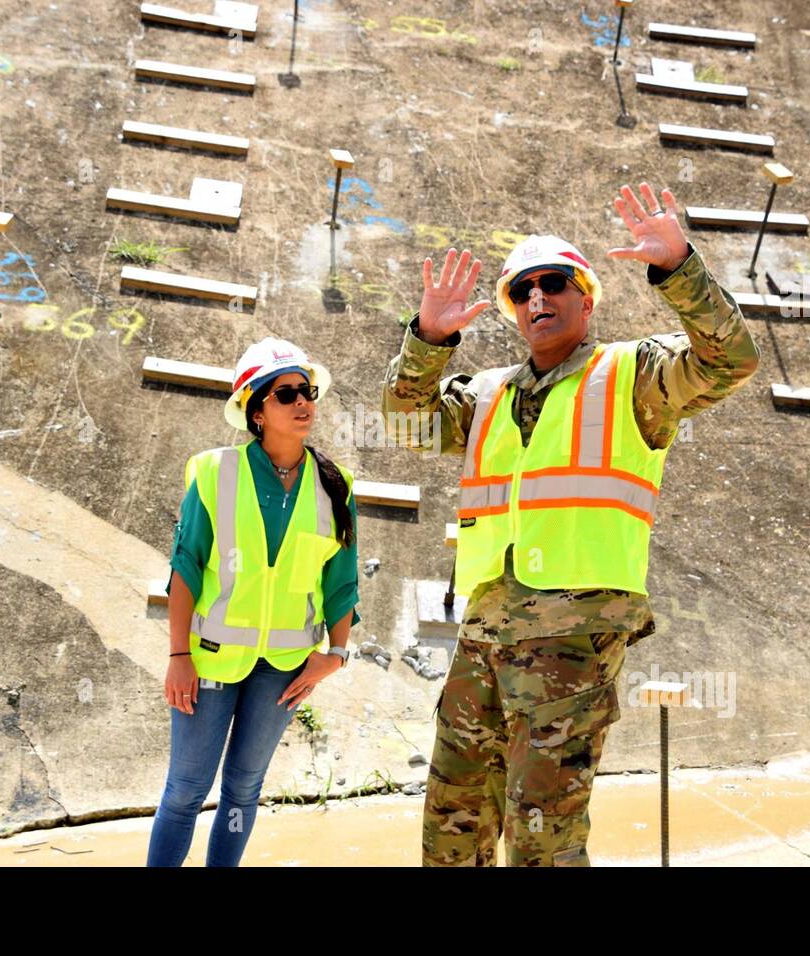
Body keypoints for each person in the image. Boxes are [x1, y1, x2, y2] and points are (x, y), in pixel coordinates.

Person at [382, 183, 761, 866]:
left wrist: (680, 268)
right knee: (454, 814)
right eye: (521, 291)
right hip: (485, 632)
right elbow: (408, 424)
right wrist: (429, 341)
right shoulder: (486, 394)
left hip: (574, 635)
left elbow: (730, 360)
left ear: (586, 298)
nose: (537, 299)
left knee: (541, 828)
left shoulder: (634, 374)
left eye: (553, 284)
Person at [147, 337, 360, 867]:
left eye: (307, 391)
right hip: (211, 661)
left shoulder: (335, 485)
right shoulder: (213, 472)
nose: (303, 402)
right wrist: (178, 657)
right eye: (286, 394)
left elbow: (341, 581)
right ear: (256, 411)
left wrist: (336, 654)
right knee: (185, 791)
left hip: (284, 669)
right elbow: (186, 567)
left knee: (244, 792)